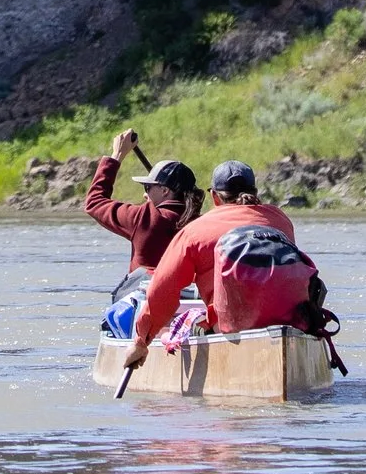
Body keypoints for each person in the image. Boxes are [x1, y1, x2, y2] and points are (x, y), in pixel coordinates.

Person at [118, 159, 309, 371]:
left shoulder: (195, 232)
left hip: (227, 330)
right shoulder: (281, 221)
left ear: (214, 197)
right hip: (289, 324)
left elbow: (163, 290)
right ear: (255, 191)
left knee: (168, 327)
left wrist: (141, 340)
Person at [85, 130, 197, 340]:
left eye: (148, 187)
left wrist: (116, 156)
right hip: (190, 309)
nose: (144, 193)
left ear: (165, 191)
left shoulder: (145, 217)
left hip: (147, 313)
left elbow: (94, 202)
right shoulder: (202, 222)